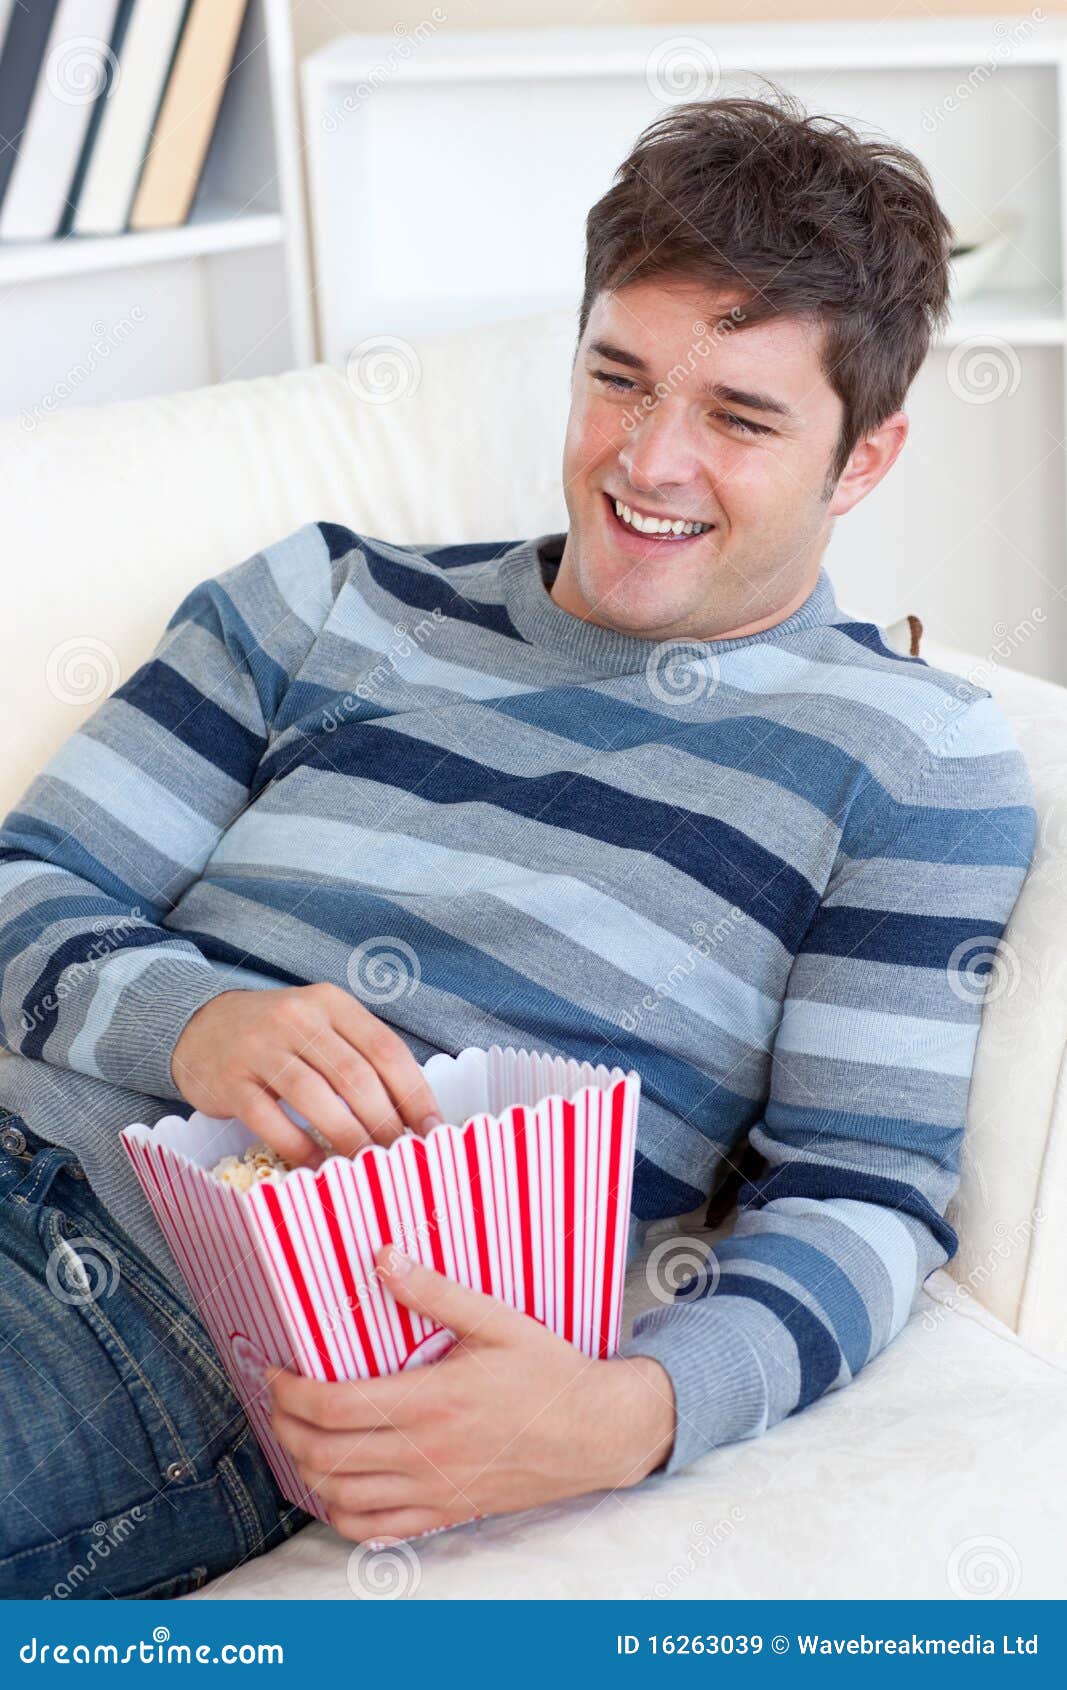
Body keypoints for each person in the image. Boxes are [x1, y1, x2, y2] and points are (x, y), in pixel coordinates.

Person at [0, 90, 1036, 1596]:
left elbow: (865, 1193)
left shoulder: (908, 762)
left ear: (865, 459)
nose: (650, 462)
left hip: (167, 1328)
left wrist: (634, 1413)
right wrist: (200, 1021)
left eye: (741, 419)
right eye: (617, 380)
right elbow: (26, 885)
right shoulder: (326, 598)